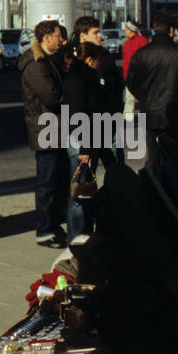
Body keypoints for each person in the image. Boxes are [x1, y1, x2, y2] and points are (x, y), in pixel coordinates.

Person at [126, 14, 178, 172]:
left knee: (154, 157)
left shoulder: (141, 54)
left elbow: (131, 82)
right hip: (177, 113)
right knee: (175, 156)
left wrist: (145, 98)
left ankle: (155, 189)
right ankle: (174, 190)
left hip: (151, 114)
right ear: (171, 31)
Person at [19, 18, 67, 246]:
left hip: (52, 127)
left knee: (55, 180)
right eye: (58, 36)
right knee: (47, 182)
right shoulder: (37, 64)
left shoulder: (47, 60)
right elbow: (52, 96)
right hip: (46, 128)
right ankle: (45, 230)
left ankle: (52, 225)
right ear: (46, 38)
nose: (62, 40)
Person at [62, 41, 102, 243]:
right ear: (89, 59)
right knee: (78, 190)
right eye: (97, 61)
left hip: (81, 137)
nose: (98, 65)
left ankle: (81, 234)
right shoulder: (80, 78)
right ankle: (77, 236)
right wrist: (85, 145)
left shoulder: (79, 76)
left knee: (81, 188)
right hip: (80, 139)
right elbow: (80, 113)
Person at [70, 15, 124, 166]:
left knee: (115, 169)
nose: (100, 36)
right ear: (83, 36)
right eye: (95, 32)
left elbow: (113, 91)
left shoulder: (105, 59)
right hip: (83, 126)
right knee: (86, 173)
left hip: (107, 123)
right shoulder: (71, 60)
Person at [121, 18, 148, 125]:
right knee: (139, 98)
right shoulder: (141, 41)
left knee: (130, 99)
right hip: (137, 75)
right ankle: (142, 118)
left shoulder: (137, 42)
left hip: (133, 75)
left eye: (126, 30)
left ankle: (128, 119)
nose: (125, 32)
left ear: (132, 30)